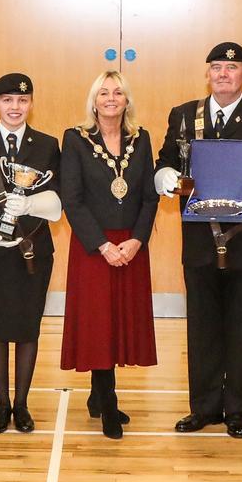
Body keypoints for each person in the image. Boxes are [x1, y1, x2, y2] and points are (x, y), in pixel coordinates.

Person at [151, 41, 242, 438]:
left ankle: (236, 410)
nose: (224, 74)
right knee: (201, 325)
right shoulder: (184, 116)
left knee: (241, 325)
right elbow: (166, 162)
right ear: (208, 73)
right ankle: (203, 407)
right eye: (216, 67)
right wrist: (163, 178)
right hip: (198, 240)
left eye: (232, 68)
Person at [0, 72, 64, 434]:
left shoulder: (48, 144)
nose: (14, 107)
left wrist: (29, 202)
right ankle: (2, 405)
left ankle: (22, 405)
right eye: (7, 100)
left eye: (21, 100)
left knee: (27, 327)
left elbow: (57, 200)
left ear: (31, 103)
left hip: (32, 249)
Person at [60, 70, 159, 438]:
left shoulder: (141, 138)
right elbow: (72, 198)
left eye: (118, 92)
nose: (111, 98)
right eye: (104, 93)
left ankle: (96, 395)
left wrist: (137, 240)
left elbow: (149, 197)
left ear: (127, 100)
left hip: (130, 246)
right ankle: (109, 403)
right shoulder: (75, 140)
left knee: (118, 322)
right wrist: (102, 245)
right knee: (98, 324)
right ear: (94, 101)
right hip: (94, 247)